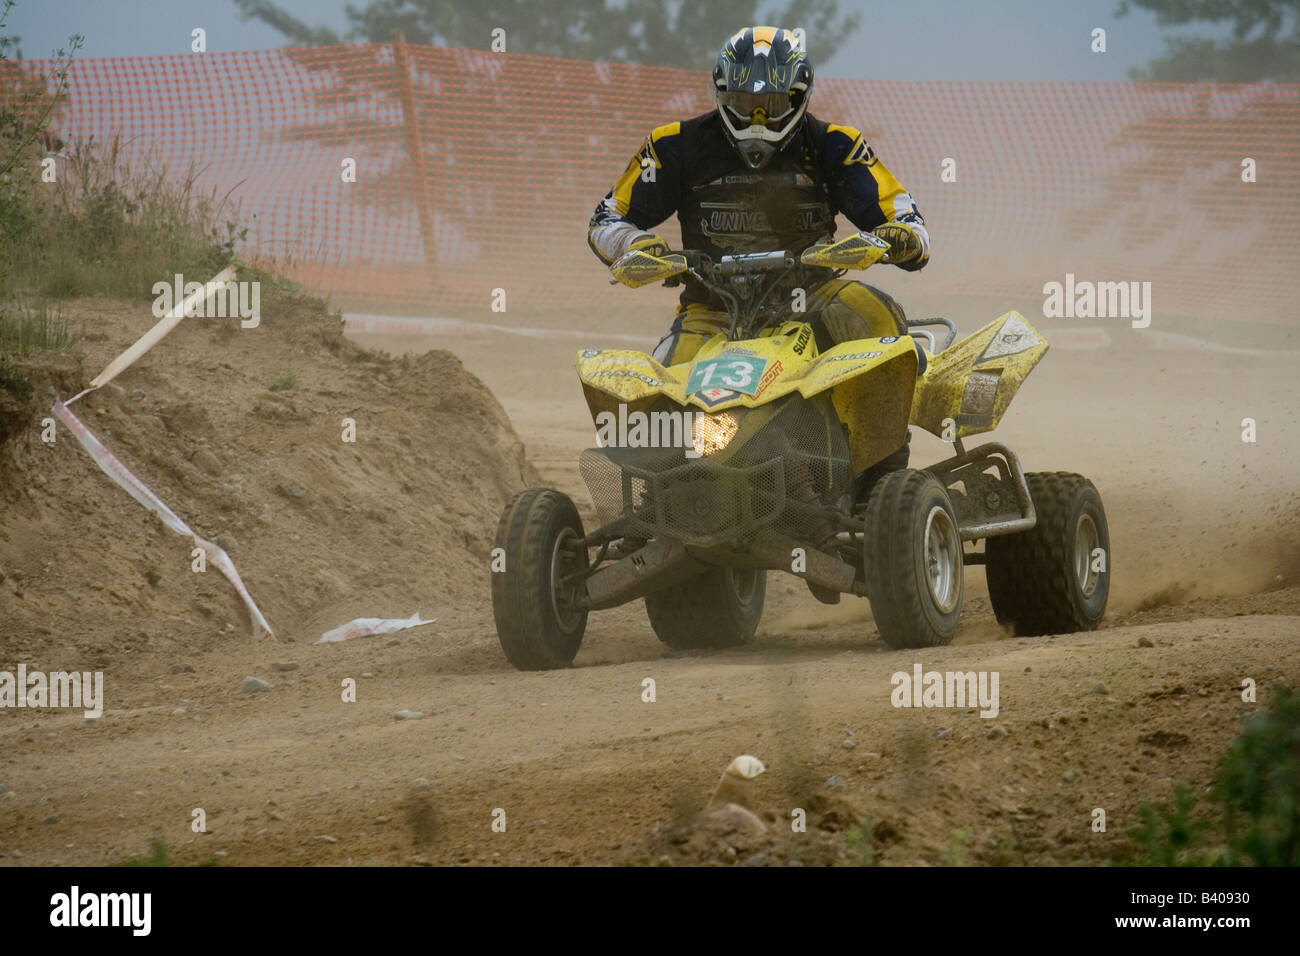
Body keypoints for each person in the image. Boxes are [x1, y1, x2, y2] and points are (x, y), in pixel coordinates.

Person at [587, 25, 931, 374]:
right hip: (710, 312)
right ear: (722, 93)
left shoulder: (836, 144)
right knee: (660, 384)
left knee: (873, 312)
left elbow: (906, 219)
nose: (757, 117)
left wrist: (900, 238)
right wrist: (636, 243)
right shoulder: (674, 145)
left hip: (813, 300)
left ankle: (882, 421)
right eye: (744, 101)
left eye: (772, 103)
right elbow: (607, 218)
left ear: (798, 96)